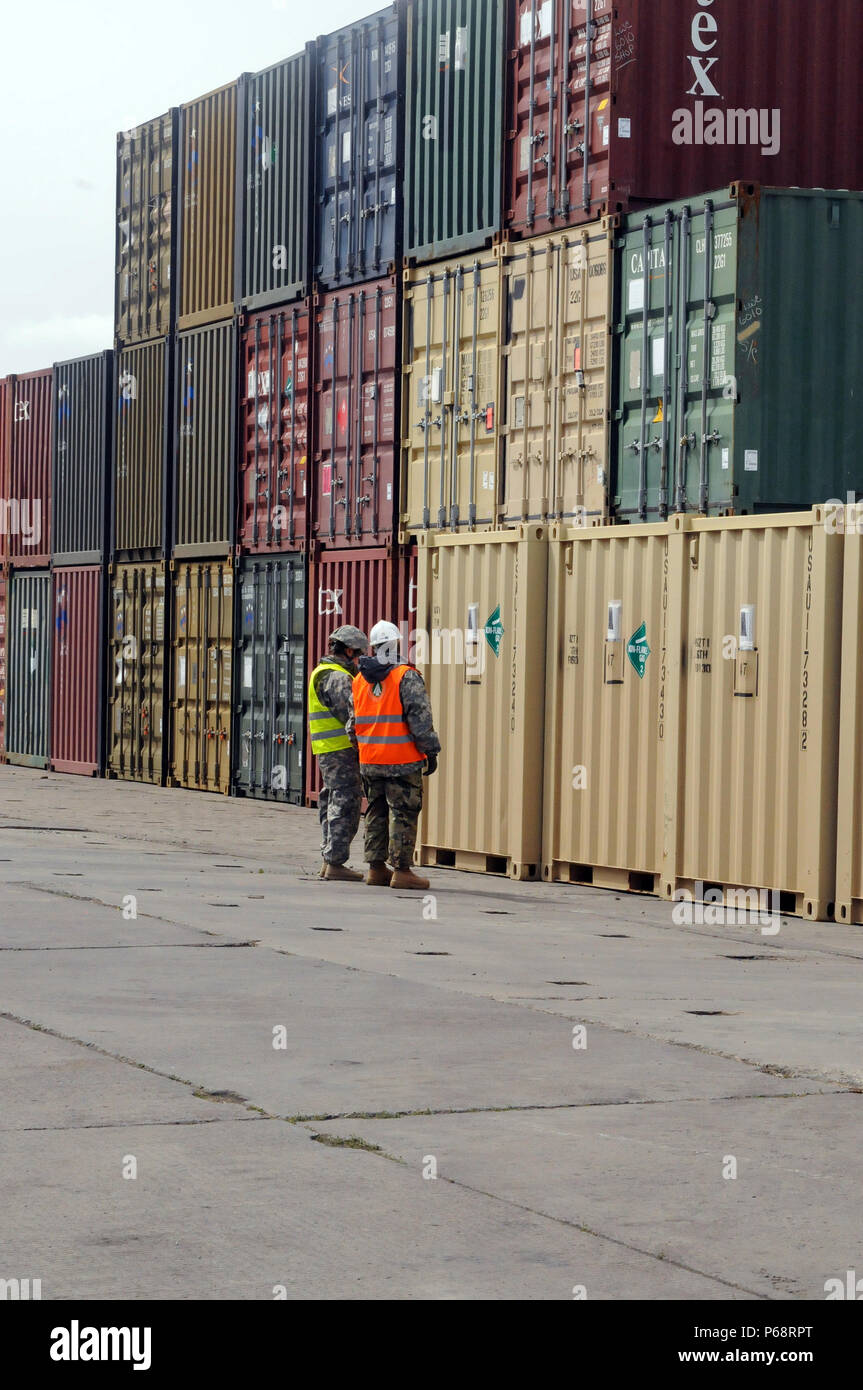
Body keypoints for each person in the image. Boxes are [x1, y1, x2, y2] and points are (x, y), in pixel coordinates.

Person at [348, 620, 441, 890]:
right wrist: (431, 750)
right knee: (403, 812)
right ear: (396, 644)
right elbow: (420, 720)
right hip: (402, 760)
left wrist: (364, 752)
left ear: (373, 647)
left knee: (375, 811)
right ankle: (401, 870)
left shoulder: (359, 680)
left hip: (370, 761)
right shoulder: (405, 676)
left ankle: (376, 869)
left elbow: (352, 726)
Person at [308, 625, 368, 882]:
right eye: (359, 654)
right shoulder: (338, 677)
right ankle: (335, 861)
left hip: (328, 750)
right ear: (350, 651)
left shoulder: (321, 672)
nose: (359, 660)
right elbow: (353, 716)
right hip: (341, 750)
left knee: (332, 800)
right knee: (346, 803)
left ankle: (329, 859)